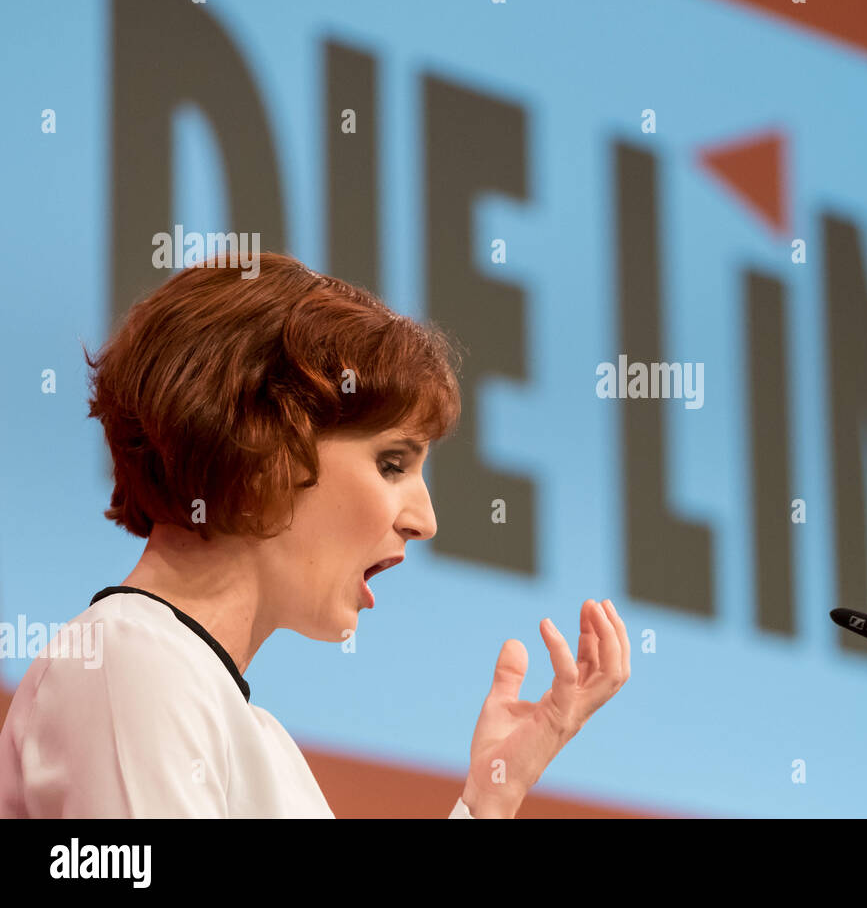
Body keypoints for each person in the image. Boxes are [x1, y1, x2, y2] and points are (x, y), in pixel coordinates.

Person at [0, 252, 629, 818]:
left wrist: (488, 801)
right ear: (265, 448)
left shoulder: (257, 738)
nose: (425, 520)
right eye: (392, 464)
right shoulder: (130, 657)